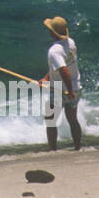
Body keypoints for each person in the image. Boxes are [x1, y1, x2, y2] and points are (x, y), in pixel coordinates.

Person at [38, 16, 82, 150]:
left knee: (50, 120)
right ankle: (78, 147)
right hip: (76, 87)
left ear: (52, 33)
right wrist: (46, 78)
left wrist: (69, 91)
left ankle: (53, 150)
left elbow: (63, 71)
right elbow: (61, 66)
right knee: (72, 120)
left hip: (61, 90)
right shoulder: (71, 43)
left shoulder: (54, 51)